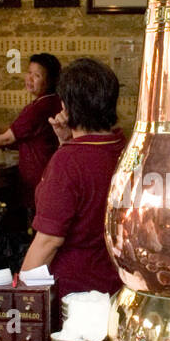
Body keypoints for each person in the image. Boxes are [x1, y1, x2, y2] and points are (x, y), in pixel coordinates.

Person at [21, 57, 124, 299]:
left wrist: (19, 297)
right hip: (117, 286)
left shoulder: (68, 162)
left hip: (75, 295)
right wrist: (67, 142)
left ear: (68, 106)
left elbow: (48, 242)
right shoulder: (124, 147)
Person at [0, 53, 62, 219]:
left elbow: (9, 137)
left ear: (50, 81)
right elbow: (22, 130)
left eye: (37, 75)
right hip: (49, 175)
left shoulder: (38, 108)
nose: (29, 78)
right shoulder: (53, 101)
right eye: (29, 72)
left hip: (37, 176)